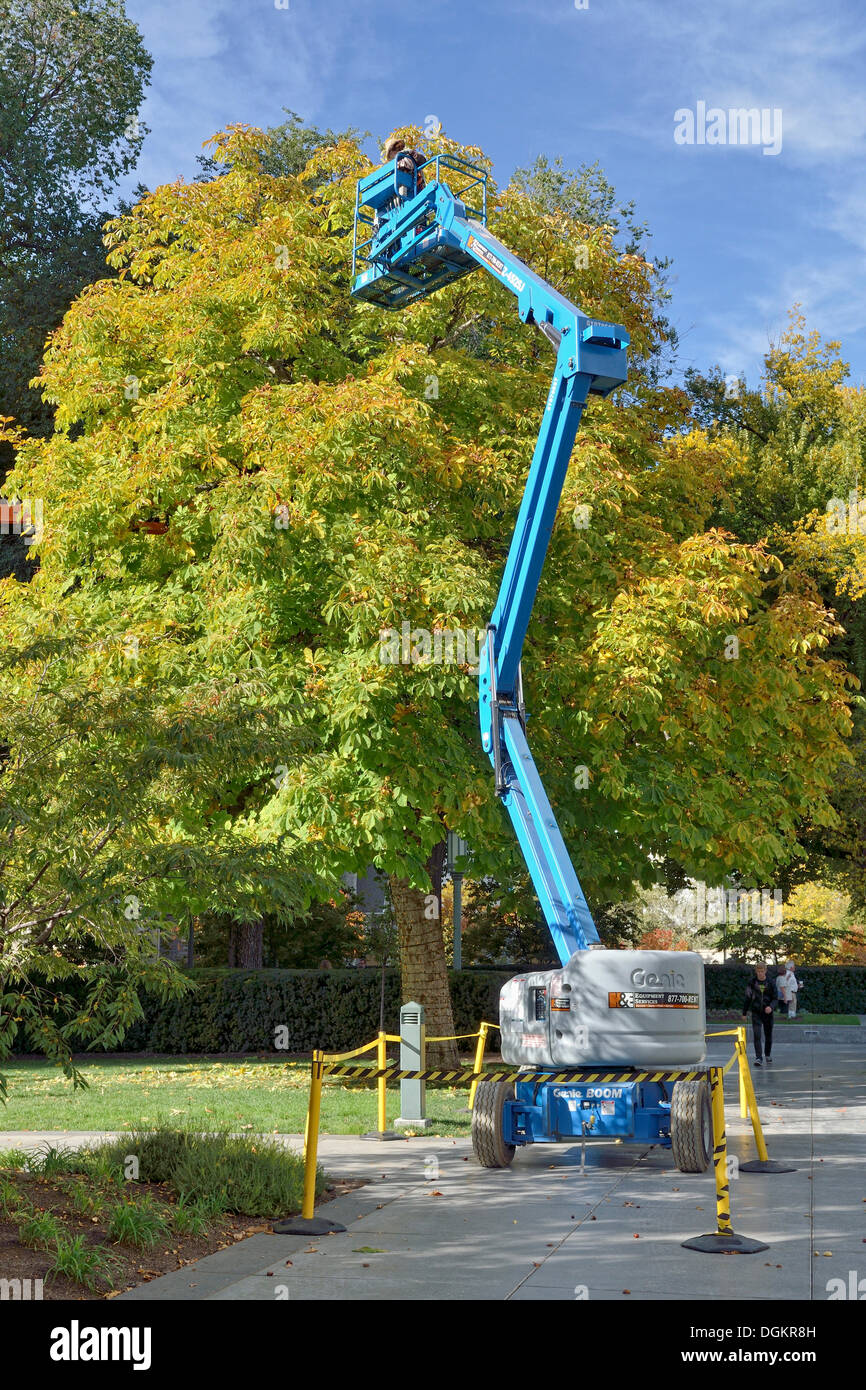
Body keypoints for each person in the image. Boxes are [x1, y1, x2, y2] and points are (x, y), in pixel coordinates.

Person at [743, 960, 775, 1066]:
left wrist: (771, 1007)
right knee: (757, 1035)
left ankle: (767, 1054)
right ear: (756, 971)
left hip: (768, 1013)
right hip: (756, 1012)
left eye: (762, 971)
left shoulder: (770, 982)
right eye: (758, 971)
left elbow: (775, 998)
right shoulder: (752, 982)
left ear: (765, 971)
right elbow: (747, 997)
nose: (760, 973)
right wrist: (744, 1012)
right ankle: (758, 1057)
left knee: (768, 1035)